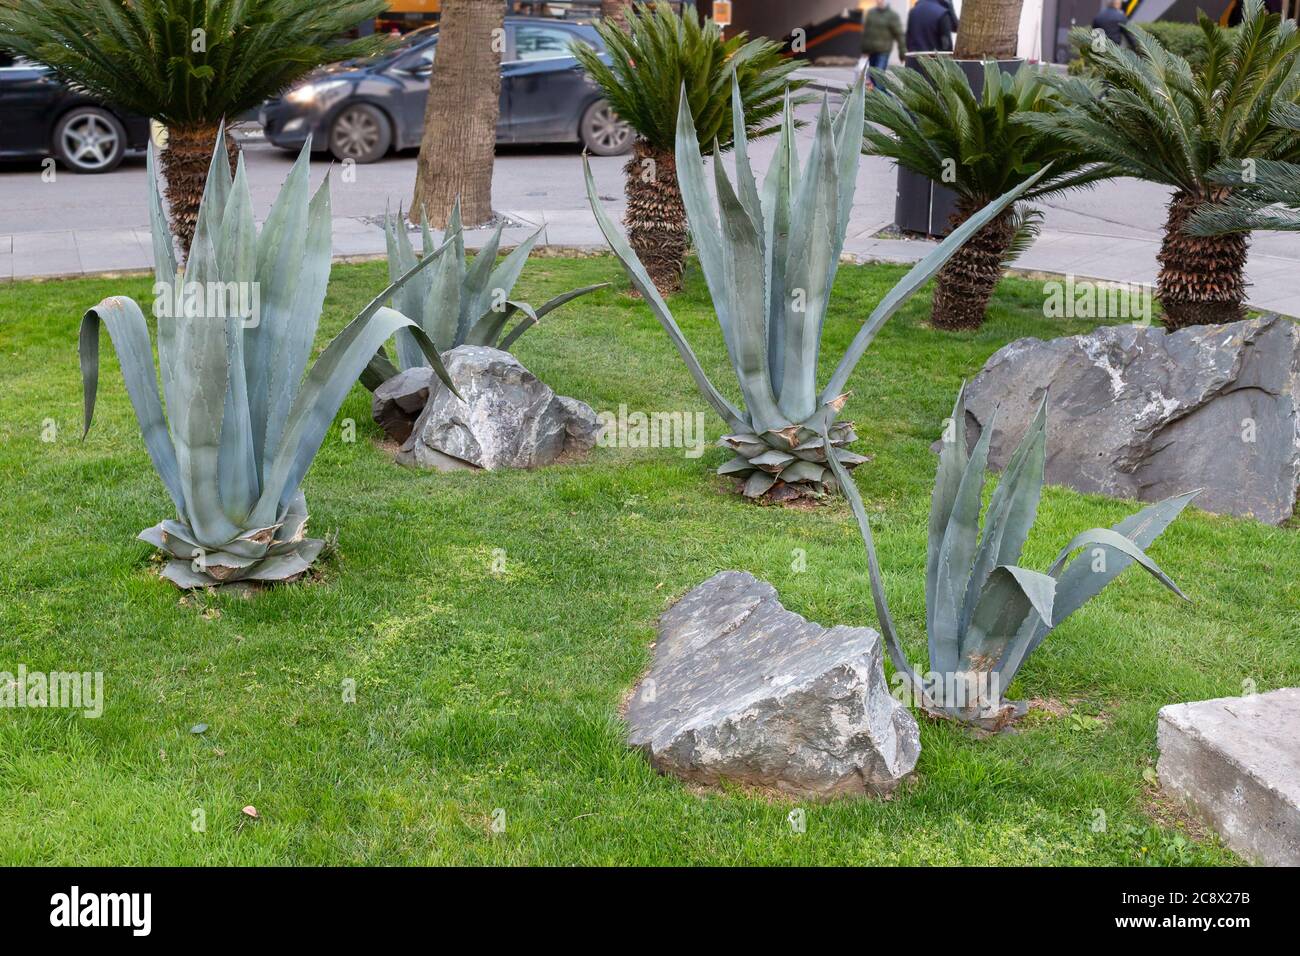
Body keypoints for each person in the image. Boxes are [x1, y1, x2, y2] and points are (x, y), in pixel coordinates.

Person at [857, 0, 907, 79]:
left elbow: (899, 35)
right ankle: (878, 90)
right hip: (871, 51)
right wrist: (864, 51)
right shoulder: (871, 13)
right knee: (872, 77)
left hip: (883, 51)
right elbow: (866, 33)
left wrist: (902, 53)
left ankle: (880, 90)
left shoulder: (892, 15)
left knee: (878, 77)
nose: (879, 1)